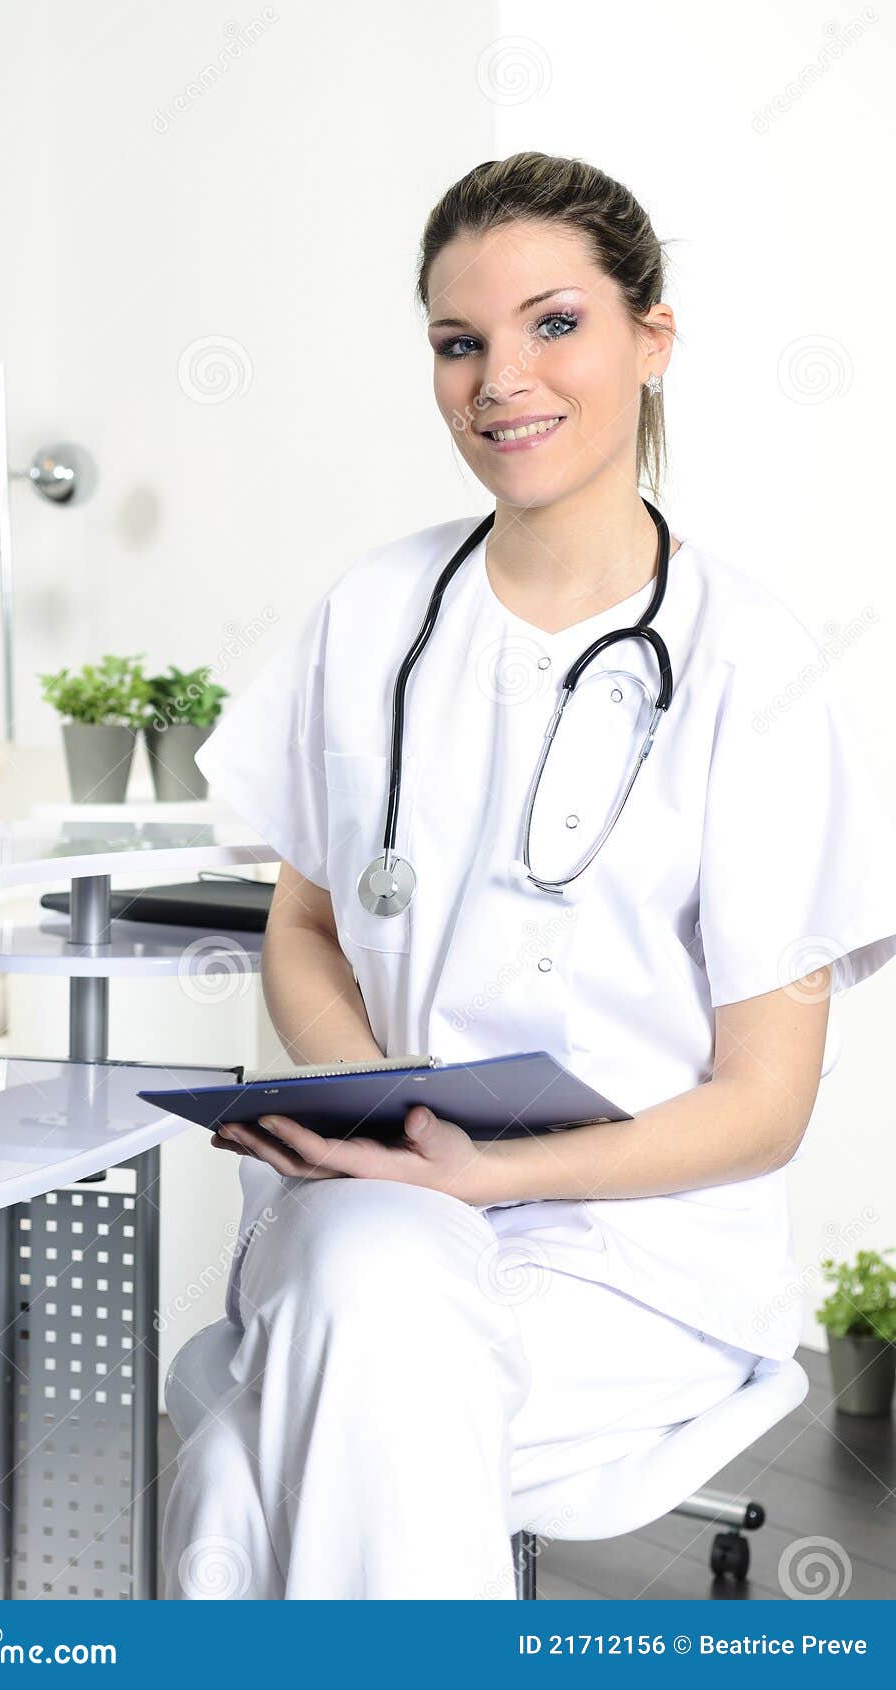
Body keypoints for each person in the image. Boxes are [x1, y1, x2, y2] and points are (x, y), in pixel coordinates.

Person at [161, 151, 896, 1601]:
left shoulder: (757, 672)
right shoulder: (372, 618)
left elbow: (765, 1100)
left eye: (555, 323)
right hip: (381, 1192)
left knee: (259, 1452)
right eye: (460, 342)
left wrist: (480, 1171)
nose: (504, 378)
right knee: (372, 1298)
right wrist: (377, 1105)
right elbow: (302, 923)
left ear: (652, 338)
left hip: (632, 1254)